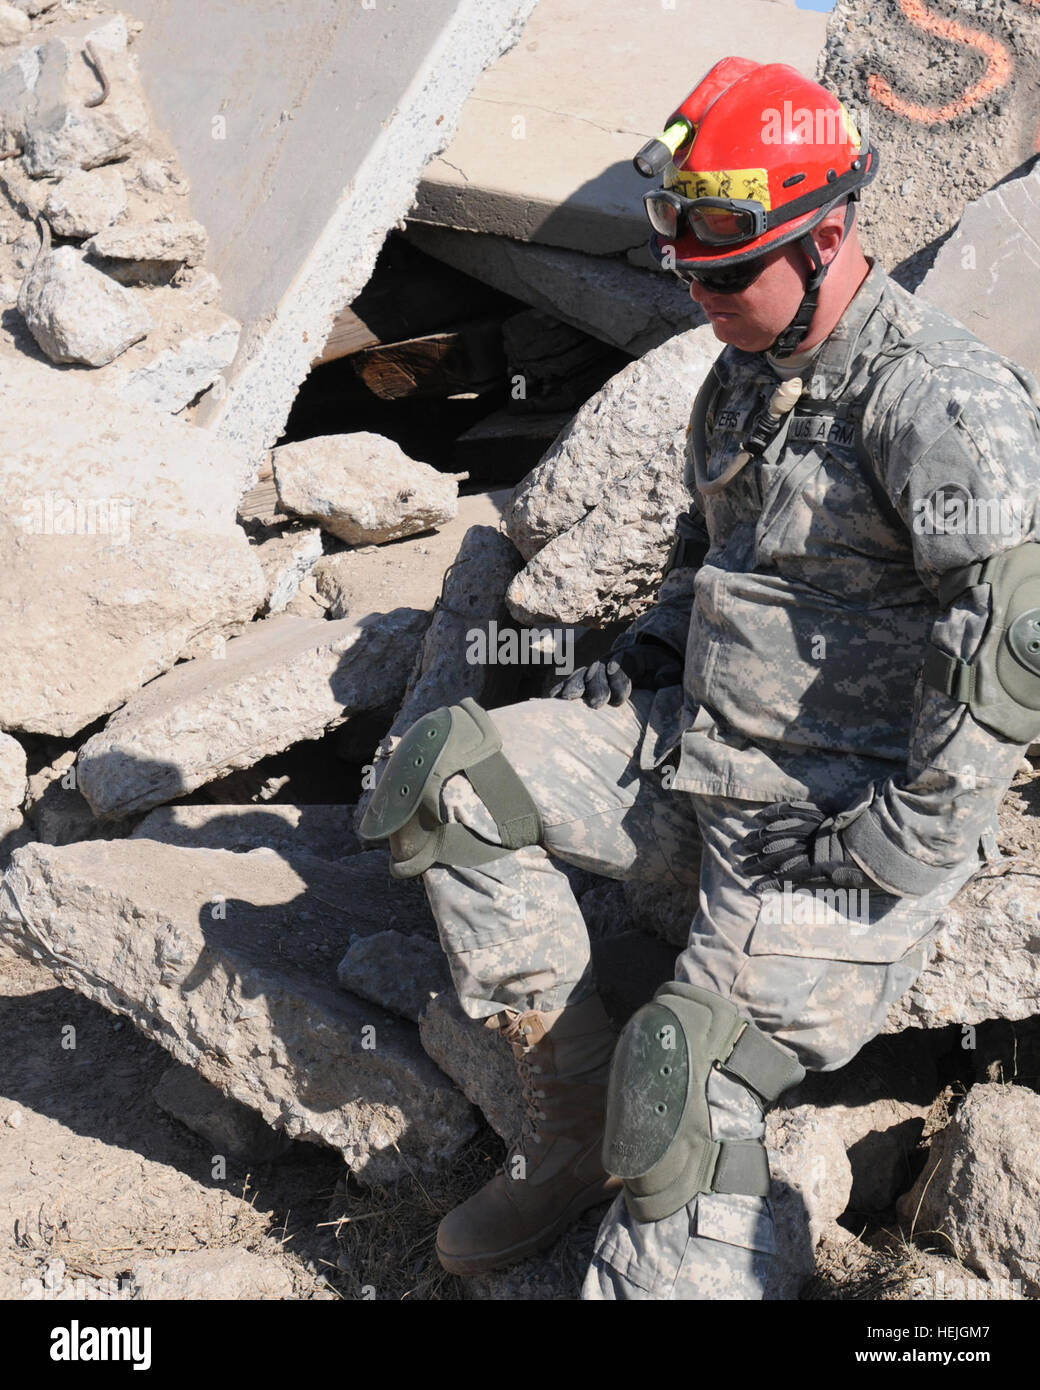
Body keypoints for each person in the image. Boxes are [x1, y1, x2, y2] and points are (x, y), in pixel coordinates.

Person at [360, 58, 1040, 1299]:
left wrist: (900, 847)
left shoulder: (935, 400)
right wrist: (648, 656)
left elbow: (1011, 645)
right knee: (445, 776)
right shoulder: (736, 379)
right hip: (693, 755)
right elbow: (709, 556)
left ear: (827, 233)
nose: (699, 292)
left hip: (825, 825)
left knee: (681, 1084)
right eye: (682, 265)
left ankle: (667, 1173)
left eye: (725, 267)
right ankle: (566, 1124)